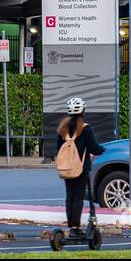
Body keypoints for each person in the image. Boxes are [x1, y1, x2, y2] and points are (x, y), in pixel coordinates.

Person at [56, 97, 104, 232]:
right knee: (78, 197)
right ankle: (76, 227)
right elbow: (94, 148)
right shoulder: (85, 129)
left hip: (66, 168)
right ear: (83, 110)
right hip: (81, 168)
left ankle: (71, 225)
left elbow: (58, 148)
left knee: (69, 197)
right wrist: (104, 150)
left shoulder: (62, 129)